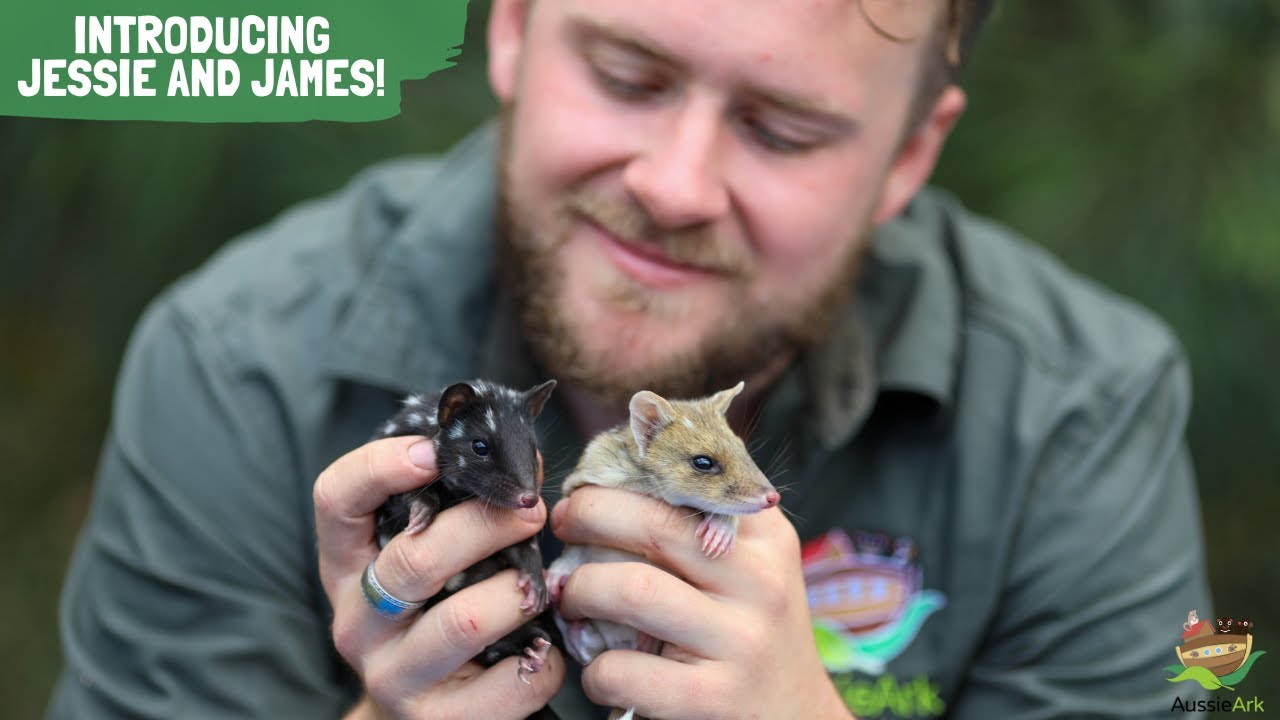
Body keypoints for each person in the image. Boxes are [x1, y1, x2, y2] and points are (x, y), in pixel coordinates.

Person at [48, 1, 1213, 718]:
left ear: (910, 155)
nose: (671, 183)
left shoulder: (1083, 414)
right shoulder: (237, 359)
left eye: (781, 130)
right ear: (510, 24)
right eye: (625, 74)